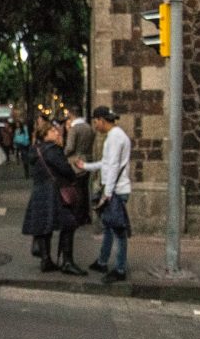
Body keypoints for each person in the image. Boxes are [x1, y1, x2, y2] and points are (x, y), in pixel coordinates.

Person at [21, 119, 86, 275]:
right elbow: (66, 170)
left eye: (56, 130)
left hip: (39, 191)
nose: (57, 132)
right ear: (45, 135)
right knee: (69, 223)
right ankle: (67, 262)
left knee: (45, 226)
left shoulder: (36, 150)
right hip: (54, 192)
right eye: (52, 131)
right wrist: (72, 176)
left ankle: (46, 260)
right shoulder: (52, 150)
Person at [77, 105, 132, 283]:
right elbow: (106, 163)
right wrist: (86, 166)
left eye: (95, 122)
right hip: (115, 190)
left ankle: (120, 269)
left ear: (101, 120)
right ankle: (102, 261)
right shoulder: (115, 135)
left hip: (116, 191)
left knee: (118, 231)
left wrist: (107, 194)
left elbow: (113, 165)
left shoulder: (115, 137)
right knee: (109, 227)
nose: (95, 125)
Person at [63, 105, 95, 226]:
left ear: (72, 114)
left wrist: (63, 154)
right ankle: (86, 214)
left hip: (76, 161)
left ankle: (79, 215)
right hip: (88, 159)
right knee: (84, 189)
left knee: (77, 190)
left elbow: (70, 147)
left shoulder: (74, 129)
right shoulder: (88, 127)